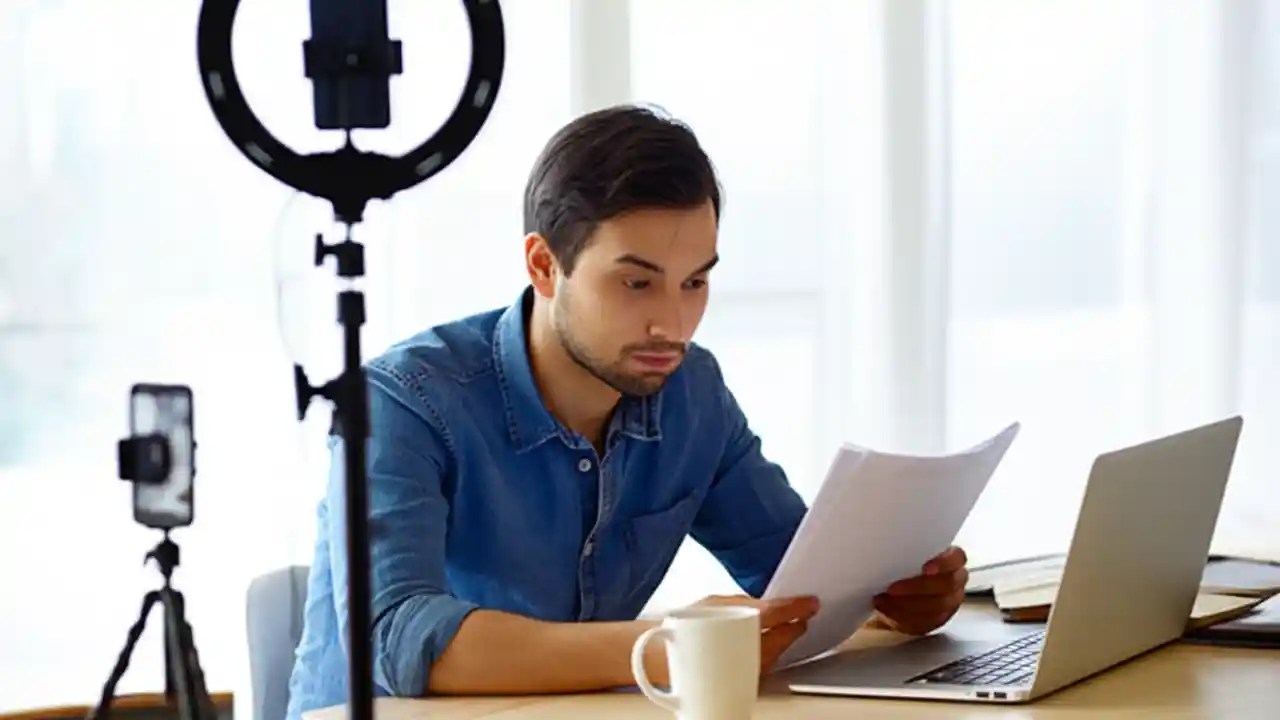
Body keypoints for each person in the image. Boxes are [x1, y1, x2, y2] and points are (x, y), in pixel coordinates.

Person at [285, 104, 969, 719]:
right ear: (544, 265)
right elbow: (398, 639)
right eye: (636, 282)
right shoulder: (403, 400)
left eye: (695, 282)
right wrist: (661, 646)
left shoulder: (692, 394)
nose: (673, 323)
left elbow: (801, 586)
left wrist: (899, 600)